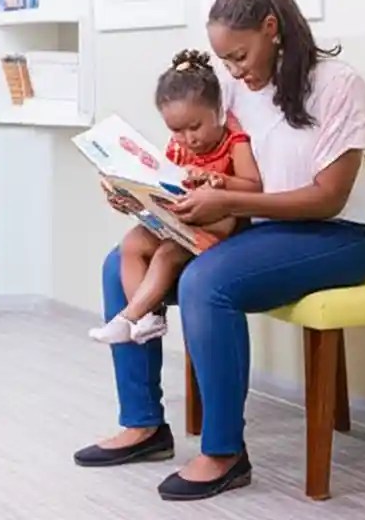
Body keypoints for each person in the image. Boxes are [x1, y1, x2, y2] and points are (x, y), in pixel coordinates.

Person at [73, 0, 365, 503]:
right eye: (225, 59)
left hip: (335, 236)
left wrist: (231, 202)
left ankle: (224, 452)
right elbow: (201, 160)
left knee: (206, 283)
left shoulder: (337, 84)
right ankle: (144, 426)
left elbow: (328, 198)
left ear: (272, 29)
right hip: (258, 230)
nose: (234, 70)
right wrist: (143, 196)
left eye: (239, 55)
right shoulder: (232, 88)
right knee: (114, 265)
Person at [89, 49, 261, 345]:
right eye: (176, 130)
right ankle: (148, 317)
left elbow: (253, 187)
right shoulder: (179, 147)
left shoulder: (235, 141)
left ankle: (128, 317)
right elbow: (164, 185)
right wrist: (132, 200)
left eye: (195, 127)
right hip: (181, 221)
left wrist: (215, 178)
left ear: (218, 111)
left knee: (168, 254)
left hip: (218, 227)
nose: (188, 139)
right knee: (131, 245)